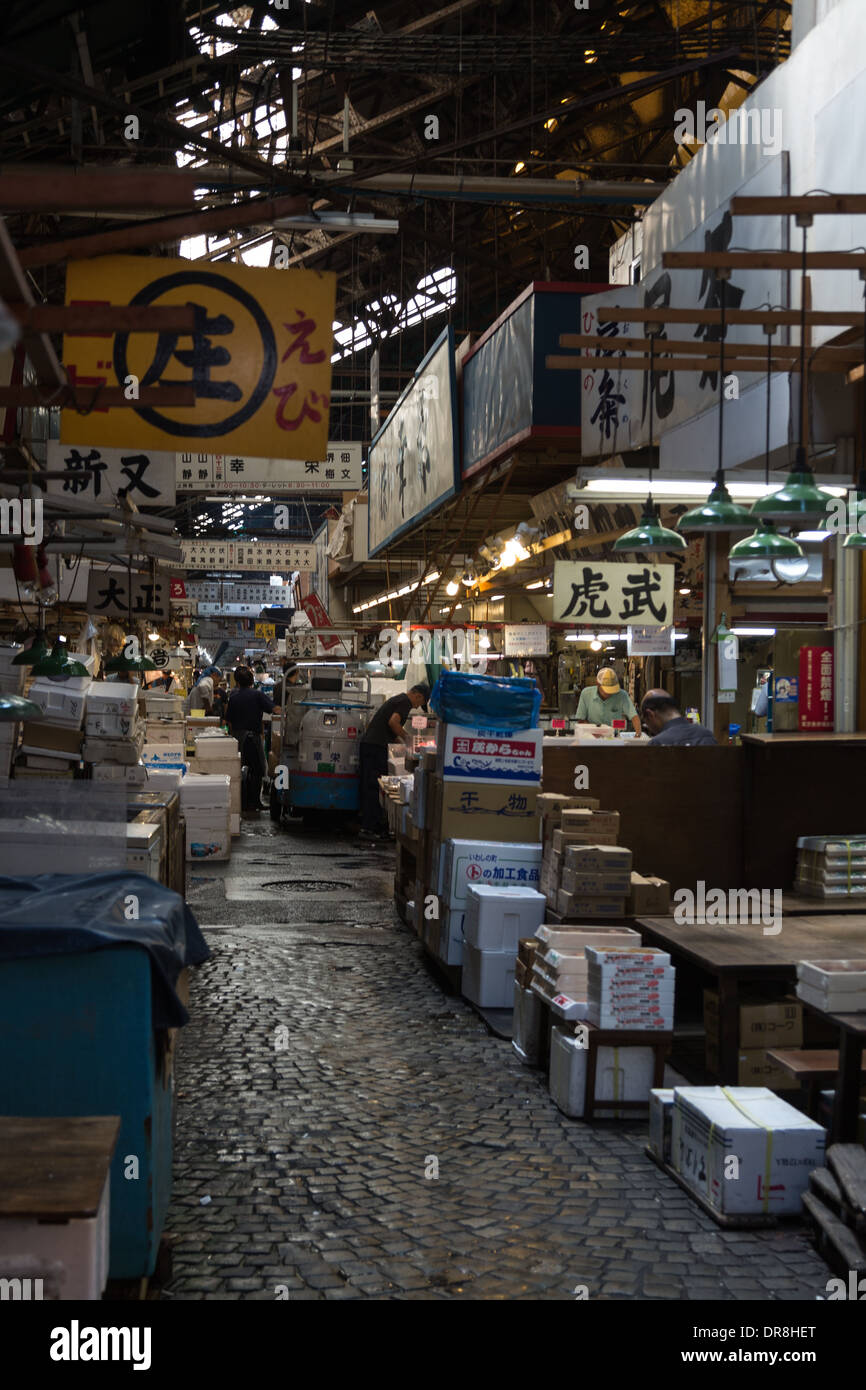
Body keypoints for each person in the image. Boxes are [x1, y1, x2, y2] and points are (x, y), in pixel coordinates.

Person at [358, 683, 430, 840]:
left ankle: (371, 826)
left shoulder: (398, 699)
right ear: (418, 696)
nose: (417, 706)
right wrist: (408, 739)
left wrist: (401, 743)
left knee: (371, 785)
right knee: (374, 786)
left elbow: (389, 727)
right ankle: (369, 829)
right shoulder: (405, 701)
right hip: (375, 747)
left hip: (371, 745)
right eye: (420, 703)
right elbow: (393, 722)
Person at [226, 665, 274, 813]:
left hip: (238, 738)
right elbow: (274, 709)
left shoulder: (233, 696)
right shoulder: (257, 695)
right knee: (257, 770)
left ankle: (242, 802)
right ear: (252, 680)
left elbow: (228, 720)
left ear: (237, 682)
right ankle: (255, 802)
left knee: (239, 769)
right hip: (253, 738)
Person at [576, 667, 641, 735]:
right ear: (598, 684)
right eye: (606, 690)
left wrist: (638, 734)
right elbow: (581, 720)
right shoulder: (586, 694)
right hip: (591, 737)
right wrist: (594, 733)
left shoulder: (622, 695)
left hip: (614, 737)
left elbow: (634, 716)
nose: (609, 693)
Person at [640, 689, 718, 745]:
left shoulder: (658, 743)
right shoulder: (706, 735)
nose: (649, 728)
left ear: (650, 714)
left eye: (646, 722)